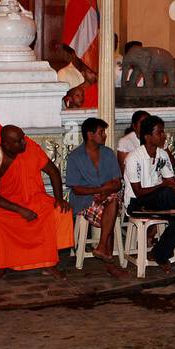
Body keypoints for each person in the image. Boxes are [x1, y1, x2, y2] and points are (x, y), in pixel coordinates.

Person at [0, 125, 73, 280]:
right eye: (19, 142)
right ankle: (0, 265)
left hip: (34, 198)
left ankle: (49, 263)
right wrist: (20, 210)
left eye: (23, 138)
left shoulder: (31, 148)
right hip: (8, 204)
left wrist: (59, 199)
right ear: (7, 145)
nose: (24, 143)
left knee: (59, 211)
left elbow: (53, 171)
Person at [123, 114, 175, 273]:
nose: (163, 136)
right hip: (137, 203)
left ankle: (160, 254)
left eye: (163, 132)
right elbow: (139, 192)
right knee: (166, 191)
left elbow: (173, 186)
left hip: (158, 199)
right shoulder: (134, 158)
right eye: (159, 132)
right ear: (148, 137)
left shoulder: (162, 155)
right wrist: (164, 185)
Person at [64, 116, 127, 277]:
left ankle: (101, 246)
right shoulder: (75, 157)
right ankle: (108, 259)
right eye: (101, 132)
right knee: (110, 210)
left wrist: (104, 192)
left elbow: (117, 183)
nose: (105, 135)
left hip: (107, 196)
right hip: (84, 200)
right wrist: (98, 191)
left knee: (111, 204)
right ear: (90, 134)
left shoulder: (108, 154)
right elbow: (77, 189)